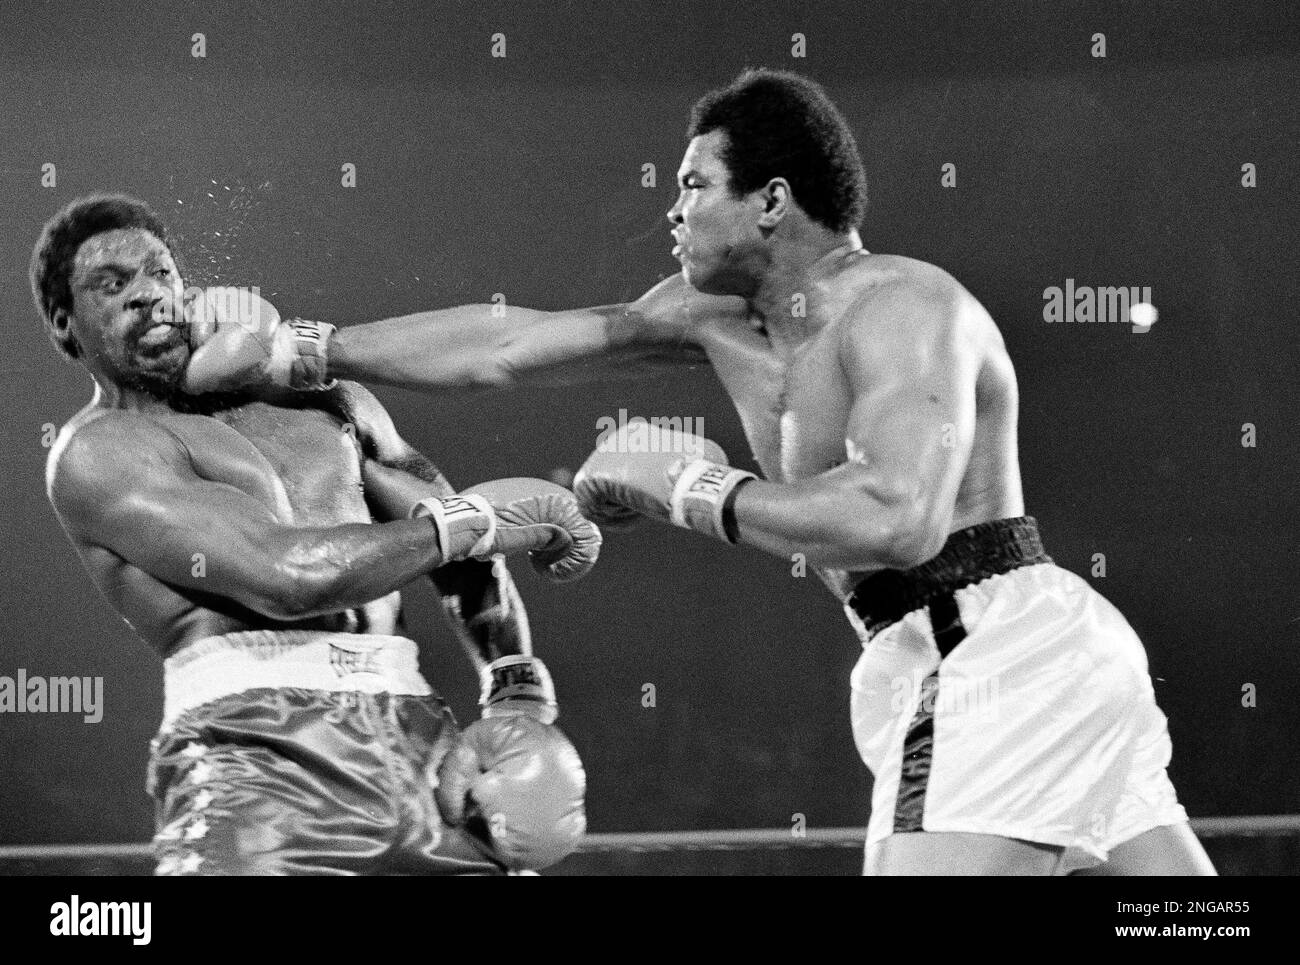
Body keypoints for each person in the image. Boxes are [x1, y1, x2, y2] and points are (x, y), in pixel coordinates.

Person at [183, 69, 1216, 876]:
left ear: (770, 201)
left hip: (987, 648)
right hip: (973, 655)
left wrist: (686, 489)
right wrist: (310, 349)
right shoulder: (715, 319)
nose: (670, 209)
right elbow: (508, 345)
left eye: (692, 184)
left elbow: (897, 517)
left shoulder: (905, 308)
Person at [33, 193, 598, 875]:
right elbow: (288, 577)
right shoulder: (100, 452)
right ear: (67, 328)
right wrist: (477, 520)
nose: (148, 295)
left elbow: (463, 560)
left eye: (160, 273)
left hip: (420, 749)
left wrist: (514, 684)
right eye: (112, 283)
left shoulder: (327, 403)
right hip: (258, 765)